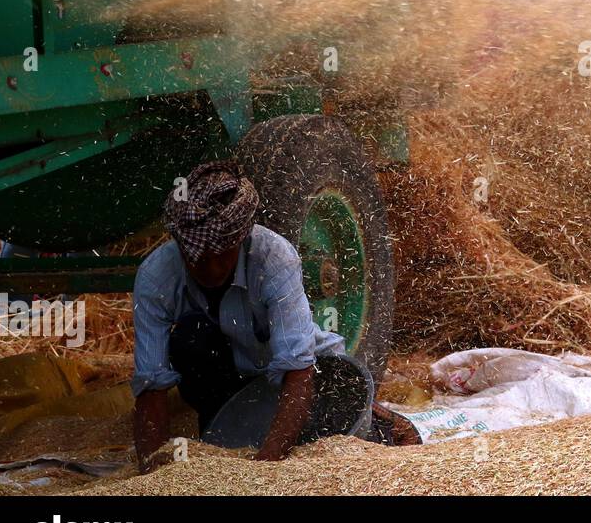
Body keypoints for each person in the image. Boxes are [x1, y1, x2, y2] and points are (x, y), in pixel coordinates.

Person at [132, 160, 417, 473]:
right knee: (190, 339)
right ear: (182, 244)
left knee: (334, 435)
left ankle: (376, 420)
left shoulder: (274, 257)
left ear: (241, 239)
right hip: (229, 378)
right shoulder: (155, 277)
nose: (211, 269)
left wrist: (266, 470)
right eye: (198, 258)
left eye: (221, 255)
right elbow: (151, 383)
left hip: (295, 374)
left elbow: (297, 368)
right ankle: (219, 431)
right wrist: (150, 471)